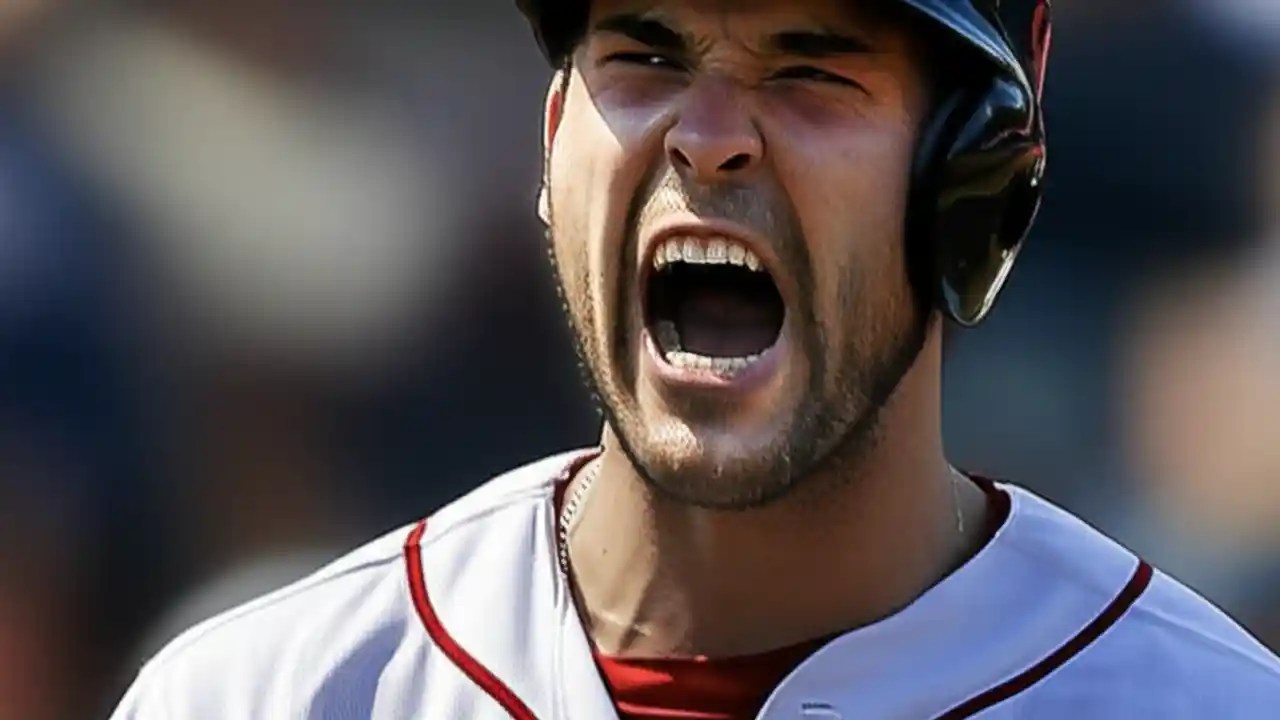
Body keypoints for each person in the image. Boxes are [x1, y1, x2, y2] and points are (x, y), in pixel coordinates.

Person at [109, 0, 1280, 717]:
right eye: (647, 56)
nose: (707, 139)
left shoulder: (1201, 706)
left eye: (809, 67)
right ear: (553, 136)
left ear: (976, 183)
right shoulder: (264, 695)